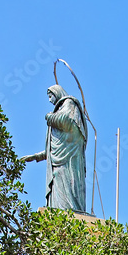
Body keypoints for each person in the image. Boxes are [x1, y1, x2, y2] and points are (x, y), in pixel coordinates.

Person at [23, 84, 87, 212]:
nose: (49, 100)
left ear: (57, 93)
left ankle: (71, 211)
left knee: (69, 188)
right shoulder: (60, 108)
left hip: (70, 159)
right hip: (57, 162)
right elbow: (51, 150)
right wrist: (35, 156)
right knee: (57, 190)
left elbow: (66, 121)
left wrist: (49, 117)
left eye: (50, 96)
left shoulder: (69, 103)